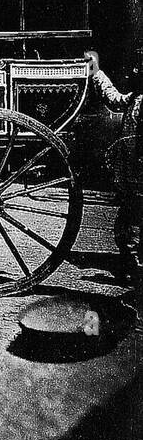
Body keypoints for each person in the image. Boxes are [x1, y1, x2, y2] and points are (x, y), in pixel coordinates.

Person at [88, 52, 143, 288]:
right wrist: (97, 73)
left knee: (132, 226)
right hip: (133, 176)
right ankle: (131, 271)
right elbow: (115, 100)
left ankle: (136, 275)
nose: (133, 72)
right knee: (126, 226)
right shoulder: (136, 98)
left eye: (138, 70)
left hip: (138, 176)